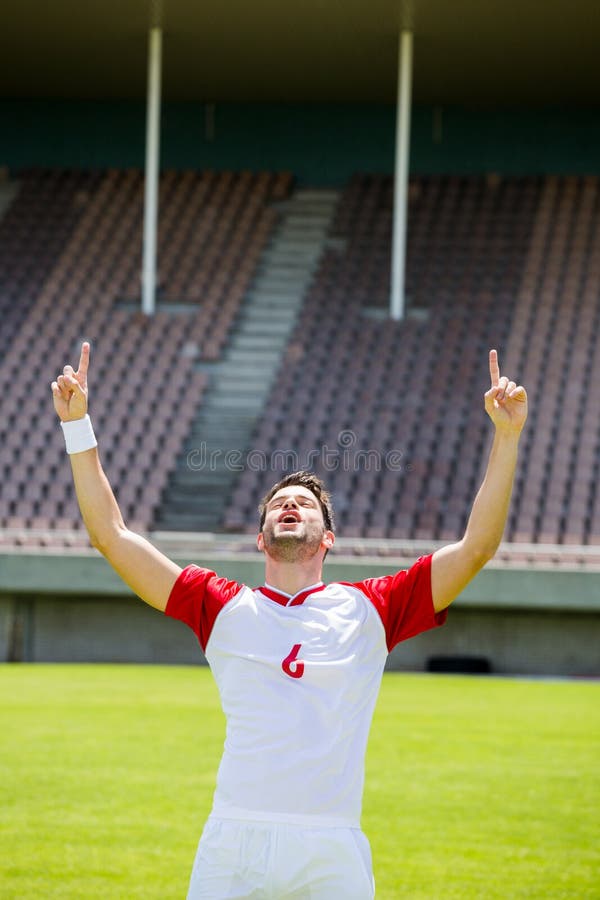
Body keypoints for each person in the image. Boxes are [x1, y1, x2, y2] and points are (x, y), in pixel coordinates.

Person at [51, 343, 527, 899]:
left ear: (328, 537)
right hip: (234, 842)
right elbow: (112, 537)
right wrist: (78, 426)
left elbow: (476, 549)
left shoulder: (373, 607)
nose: (289, 506)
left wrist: (507, 435)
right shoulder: (220, 605)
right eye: (279, 504)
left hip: (331, 849)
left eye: (304, 503)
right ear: (260, 538)